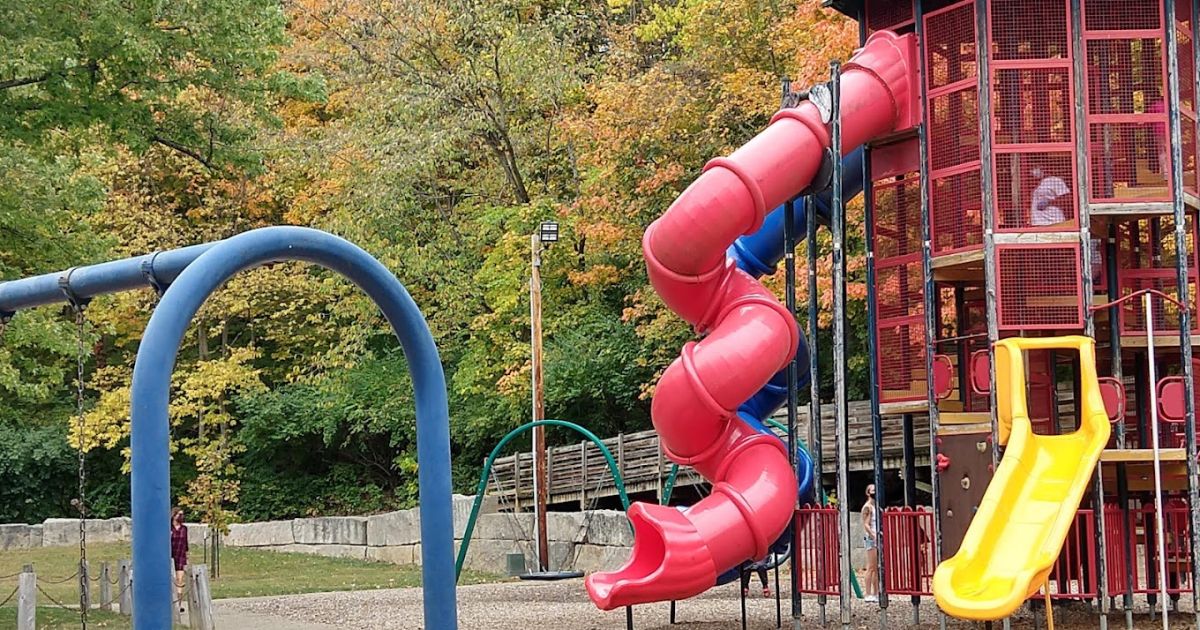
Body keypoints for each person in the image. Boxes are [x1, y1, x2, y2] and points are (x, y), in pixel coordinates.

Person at [862, 484, 879, 603]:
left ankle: (876, 592)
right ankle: (868, 593)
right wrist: (873, 535)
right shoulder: (867, 507)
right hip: (871, 538)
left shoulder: (876, 506)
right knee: (871, 567)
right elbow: (866, 524)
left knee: (876, 567)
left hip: (876, 537)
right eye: (872, 490)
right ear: (868, 493)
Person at [170, 507, 188, 613]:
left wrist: (187, 555)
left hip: (180, 556)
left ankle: (179, 604)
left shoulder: (184, 529)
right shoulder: (169, 528)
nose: (181, 517)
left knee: (180, 580)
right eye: (179, 514)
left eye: (182, 514)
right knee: (171, 580)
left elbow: (186, 543)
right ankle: (171, 602)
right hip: (170, 556)